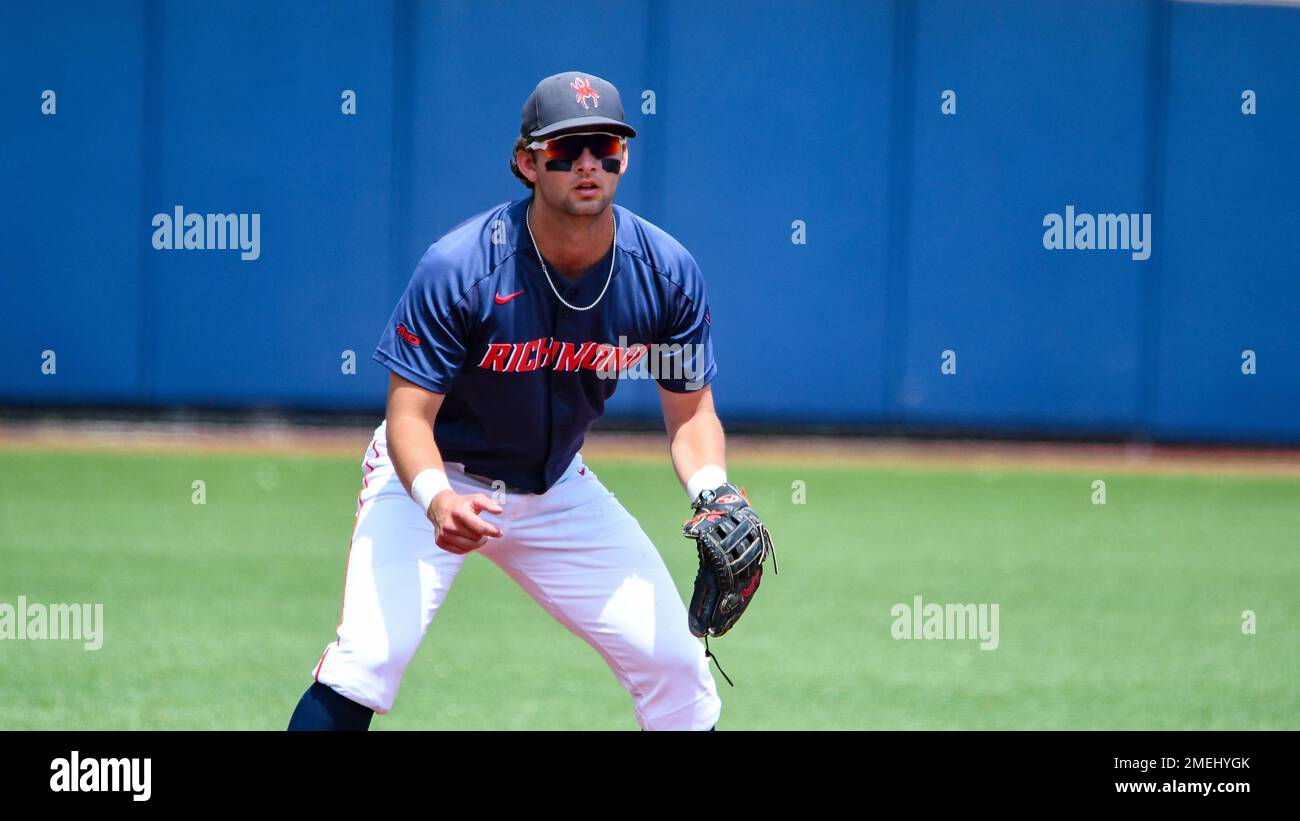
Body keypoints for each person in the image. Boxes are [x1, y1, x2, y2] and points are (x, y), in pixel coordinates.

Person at [288, 71, 762, 731]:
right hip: (433, 474)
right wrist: (436, 497)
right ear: (526, 162)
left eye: (607, 146)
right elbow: (408, 418)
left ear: (625, 157)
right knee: (369, 657)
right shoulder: (461, 268)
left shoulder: (665, 273)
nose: (589, 163)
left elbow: (691, 414)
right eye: (566, 149)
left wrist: (713, 489)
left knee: (676, 663)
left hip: (556, 484)